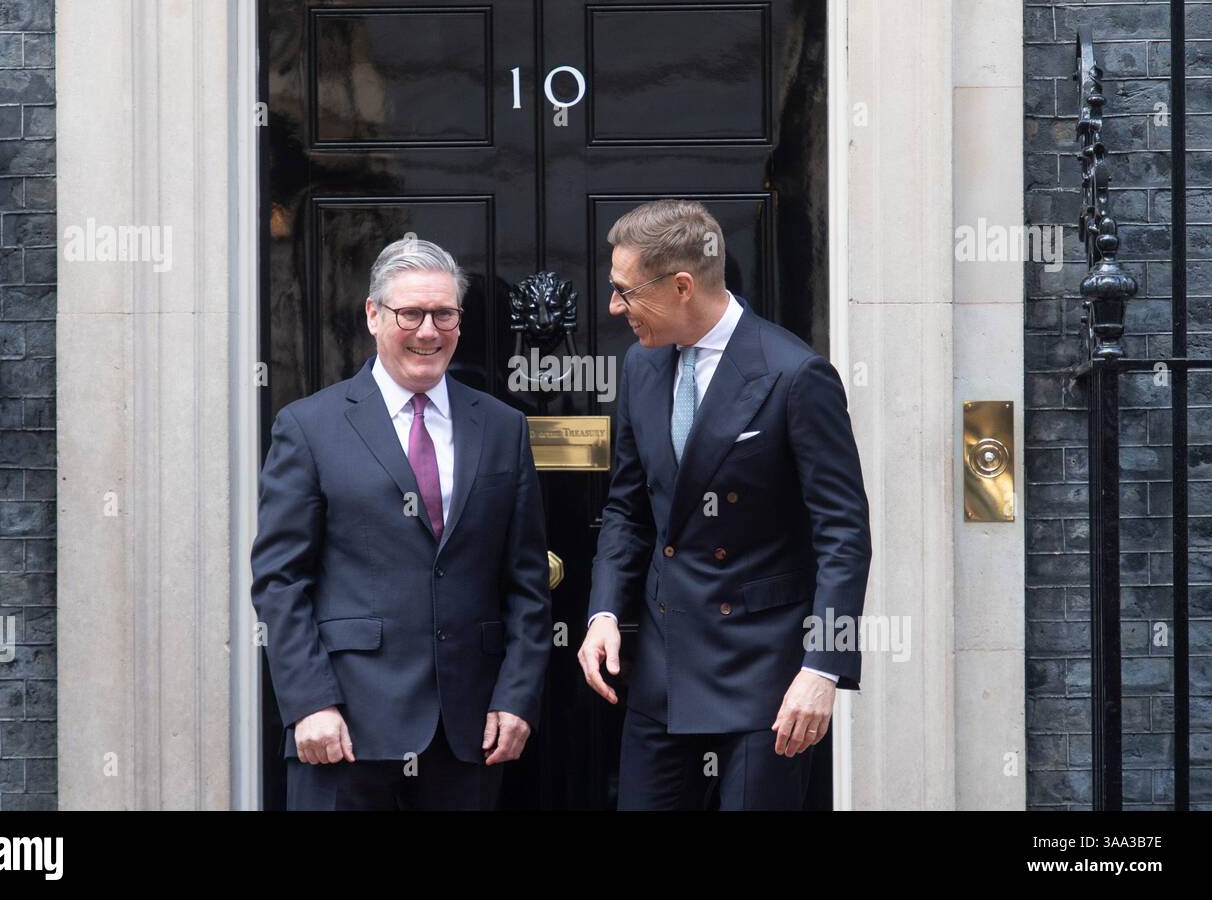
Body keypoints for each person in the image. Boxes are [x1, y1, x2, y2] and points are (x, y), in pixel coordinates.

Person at [578, 199, 872, 810]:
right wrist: (603, 613)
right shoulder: (641, 365)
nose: (613, 307)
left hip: (766, 678)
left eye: (623, 291)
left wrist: (822, 669)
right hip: (661, 669)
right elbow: (629, 511)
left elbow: (842, 534)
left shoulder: (795, 374)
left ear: (681, 286)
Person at [251, 237, 551, 810]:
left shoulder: (502, 427)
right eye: (410, 313)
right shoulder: (309, 427)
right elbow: (280, 580)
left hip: (469, 735)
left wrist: (517, 698)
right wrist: (309, 703)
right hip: (344, 732)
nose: (428, 331)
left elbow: (527, 582)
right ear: (373, 315)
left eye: (444, 314)